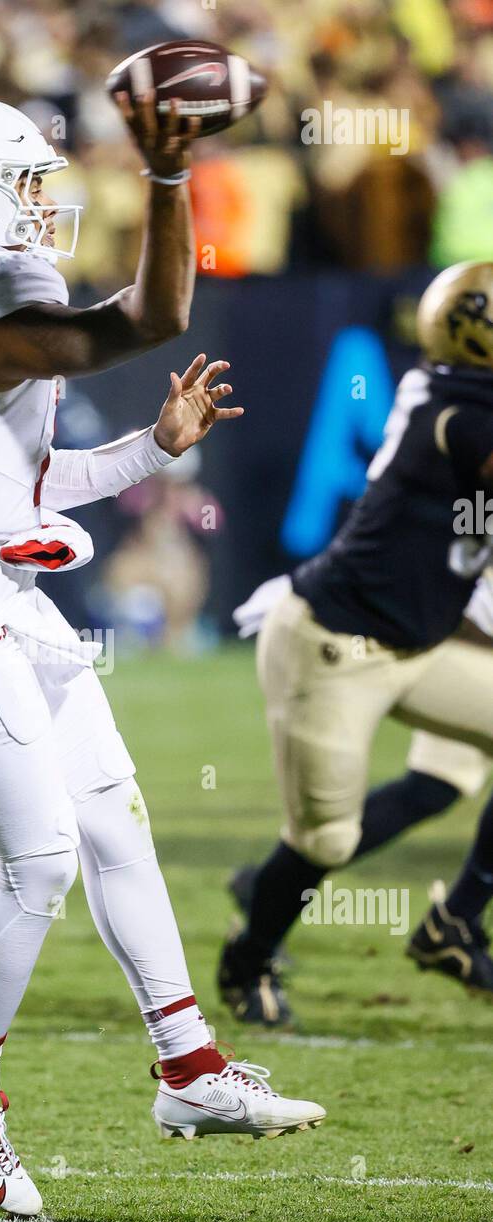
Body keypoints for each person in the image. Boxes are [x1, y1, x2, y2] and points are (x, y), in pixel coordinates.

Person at [0, 96, 325, 1217]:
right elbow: (153, 313)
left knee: (113, 812)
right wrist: (166, 179)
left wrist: (145, 451)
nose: (38, 205)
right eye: (22, 184)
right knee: (39, 860)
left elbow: (16, 483)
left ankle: (190, 1070)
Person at [219, 263, 493, 1027]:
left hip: (420, 641)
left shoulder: (451, 393)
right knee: (325, 841)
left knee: (441, 782)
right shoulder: (460, 405)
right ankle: (247, 962)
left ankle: (456, 922)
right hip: (334, 647)